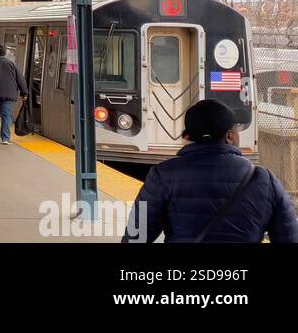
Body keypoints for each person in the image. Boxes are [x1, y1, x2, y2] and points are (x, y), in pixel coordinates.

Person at [122, 99, 298, 243]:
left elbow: (135, 239)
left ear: (189, 137)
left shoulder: (162, 175)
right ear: (229, 136)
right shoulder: (263, 179)